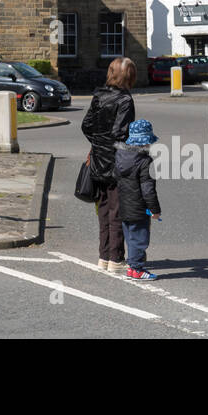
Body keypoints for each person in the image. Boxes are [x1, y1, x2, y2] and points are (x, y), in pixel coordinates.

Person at [81, 56, 136, 274]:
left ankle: (103, 257)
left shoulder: (99, 95)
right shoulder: (125, 100)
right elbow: (120, 133)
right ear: (128, 76)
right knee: (117, 211)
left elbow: (86, 126)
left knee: (103, 209)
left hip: (97, 159)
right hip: (117, 161)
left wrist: (97, 144)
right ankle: (116, 258)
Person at [115, 118, 162, 280]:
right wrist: (155, 209)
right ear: (145, 142)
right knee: (140, 240)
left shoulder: (120, 156)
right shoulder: (145, 162)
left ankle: (132, 267)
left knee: (131, 237)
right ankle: (136, 269)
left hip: (123, 205)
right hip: (139, 208)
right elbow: (148, 190)